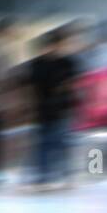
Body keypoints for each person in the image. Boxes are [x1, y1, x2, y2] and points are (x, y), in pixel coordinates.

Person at [28, 25, 83, 187]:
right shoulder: (39, 65)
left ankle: (61, 174)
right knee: (47, 143)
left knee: (61, 142)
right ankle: (45, 175)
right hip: (46, 109)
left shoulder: (68, 62)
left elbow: (73, 84)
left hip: (62, 108)